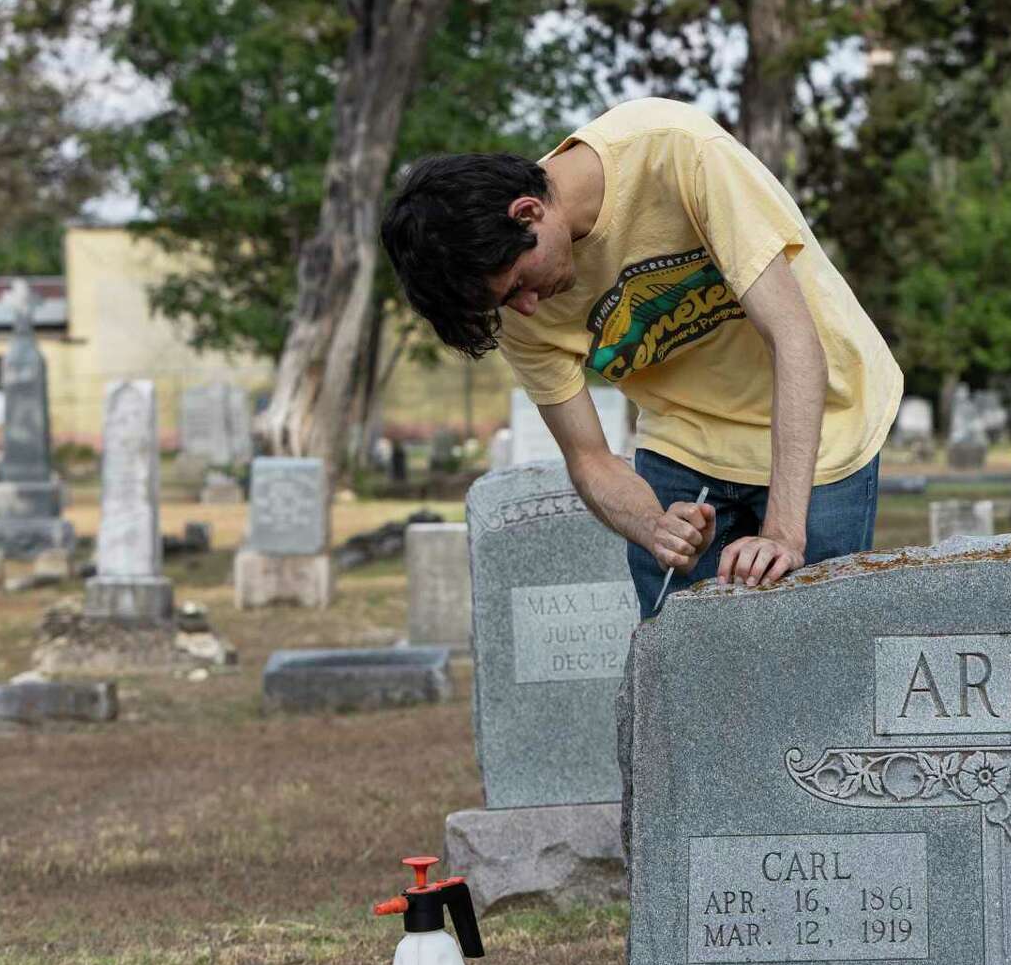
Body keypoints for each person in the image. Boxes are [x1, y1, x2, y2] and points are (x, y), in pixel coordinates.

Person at [379, 98, 902, 612]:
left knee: (818, 661)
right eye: (508, 300)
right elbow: (588, 458)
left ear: (528, 212)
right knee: (681, 672)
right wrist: (655, 528)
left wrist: (785, 533)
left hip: (821, 420)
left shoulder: (677, 152)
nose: (528, 306)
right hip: (684, 440)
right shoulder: (516, 306)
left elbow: (792, 339)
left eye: (520, 284)